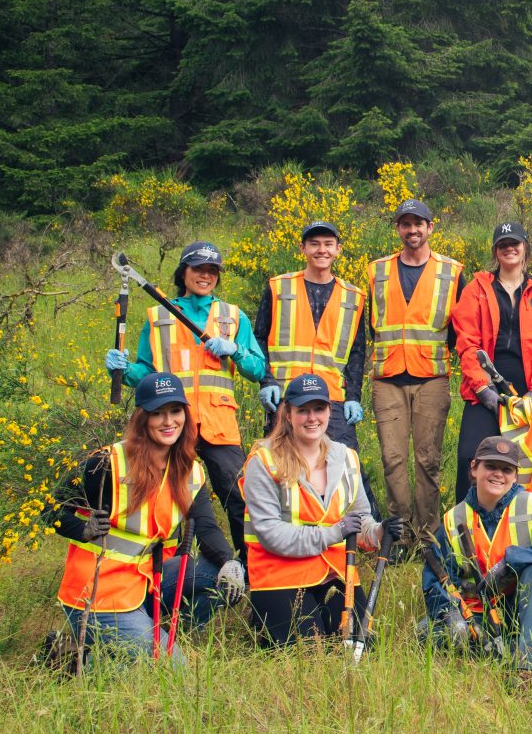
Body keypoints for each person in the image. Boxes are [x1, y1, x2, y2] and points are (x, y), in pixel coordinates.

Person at [51, 373, 246, 665]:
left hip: (146, 582)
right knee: (173, 668)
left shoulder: (189, 470)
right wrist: (83, 529)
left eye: (175, 412)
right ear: (143, 419)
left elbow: (205, 525)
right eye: (158, 414)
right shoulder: (106, 464)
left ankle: (156, 638)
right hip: (99, 595)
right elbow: (51, 508)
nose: (169, 422)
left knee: (222, 575)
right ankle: (75, 661)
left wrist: (230, 562)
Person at [105, 241, 267, 561]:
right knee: (173, 497)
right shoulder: (158, 315)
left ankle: (250, 568)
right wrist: (124, 370)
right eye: (198, 269)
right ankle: (177, 569)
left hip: (218, 424)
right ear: (184, 273)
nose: (205, 276)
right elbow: (146, 373)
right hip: (171, 425)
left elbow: (259, 368)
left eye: (212, 271)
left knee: (239, 497)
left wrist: (236, 351)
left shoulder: (234, 317)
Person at [240, 374, 406, 646]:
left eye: (319, 409)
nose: (312, 418)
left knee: (360, 644)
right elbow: (270, 533)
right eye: (302, 410)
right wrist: (333, 533)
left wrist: (378, 532)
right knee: (310, 651)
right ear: (288, 414)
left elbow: (360, 520)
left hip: (334, 571)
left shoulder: (346, 457)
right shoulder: (264, 460)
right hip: (280, 574)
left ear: (330, 411)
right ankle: (264, 614)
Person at [422, 436, 532, 674]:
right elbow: (434, 581)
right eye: (490, 466)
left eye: (506, 469)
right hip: (477, 612)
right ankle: (492, 646)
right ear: (474, 468)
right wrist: (450, 612)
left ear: (515, 475)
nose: (498, 475)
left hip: (525, 609)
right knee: (425, 632)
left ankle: (528, 669)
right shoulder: (454, 518)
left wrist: (513, 560)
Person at [368, 198, 465, 543]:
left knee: (428, 460)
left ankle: (429, 535)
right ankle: (400, 534)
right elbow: (370, 325)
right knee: (393, 459)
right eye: (405, 223)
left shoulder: (452, 271)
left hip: (431, 378)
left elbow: (460, 330)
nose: (412, 230)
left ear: (430, 227)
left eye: (418, 223)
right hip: (388, 377)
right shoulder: (376, 270)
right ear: (398, 228)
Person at [452, 220, 532, 501]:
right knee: (470, 459)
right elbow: (466, 343)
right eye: (503, 244)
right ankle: (464, 531)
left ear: (525, 248)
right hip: (486, 392)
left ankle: (523, 529)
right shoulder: (476, 289)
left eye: (515, 243)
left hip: (528, 394)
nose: (509, 248)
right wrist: (482, 389)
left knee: (524, 467)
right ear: (495, 250)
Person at [254, 221, 367, 448]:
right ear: (302, 248)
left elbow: (357, 352)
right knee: (281, 464)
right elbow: (259, 338)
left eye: (328, 244)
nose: (321, 250)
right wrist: (266, 381)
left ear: (338, 249)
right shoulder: (279, 287)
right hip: (287, 395)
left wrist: (353, 397)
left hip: (331, 398)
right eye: (314, 244)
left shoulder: (353, 297)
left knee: (344, 464)